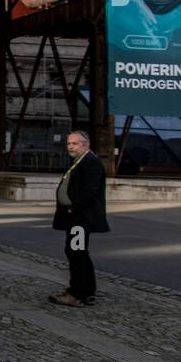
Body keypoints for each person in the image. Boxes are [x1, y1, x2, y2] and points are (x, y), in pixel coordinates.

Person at [50, 130, 109, 307]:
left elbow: (90, 191)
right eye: (69, 143)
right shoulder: (79, 162)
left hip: (80, 218)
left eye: (74, 144)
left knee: (76, 253)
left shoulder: (90, 163)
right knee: (78, 252)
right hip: (76, 217)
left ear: (85, 144)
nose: (70, 147)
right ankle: (87, 291)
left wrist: (74, 208)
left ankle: (77, 293)